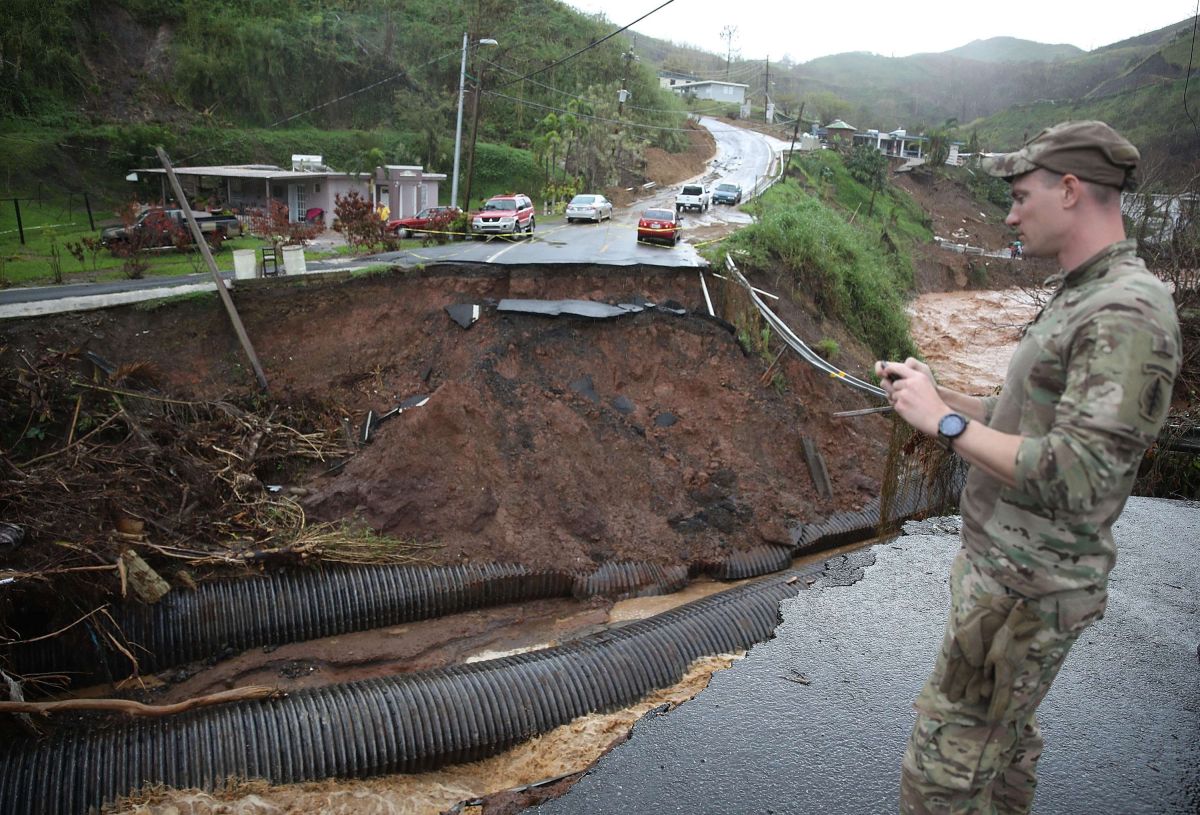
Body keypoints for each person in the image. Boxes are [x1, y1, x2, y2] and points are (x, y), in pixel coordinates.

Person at [876, 121, 1181, 814]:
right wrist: (941, 395)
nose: (1010, 215)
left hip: (1027, 586)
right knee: (1005, 750)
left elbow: (1081, 470)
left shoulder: (1127, 309)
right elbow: (1028, 417)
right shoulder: (1084, 291)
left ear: (1070, 189)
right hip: (1006, 576)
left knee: (938, 779)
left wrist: (946, 426)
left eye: (1019, 196)